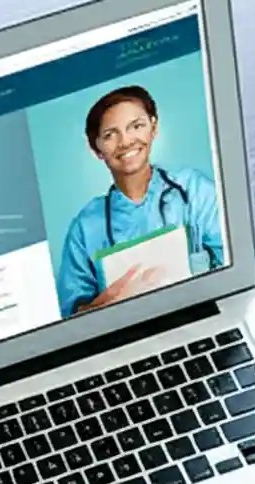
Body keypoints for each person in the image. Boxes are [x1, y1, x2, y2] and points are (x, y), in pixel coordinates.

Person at [56, 85, 224, 317]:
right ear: (96, 149)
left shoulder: (194, 190)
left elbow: (230, 268)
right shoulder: (85, 228)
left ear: (153, 128)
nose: (125, 142)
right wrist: (104, 306)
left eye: (136, 126)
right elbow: (71, 314)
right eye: (109, 135)